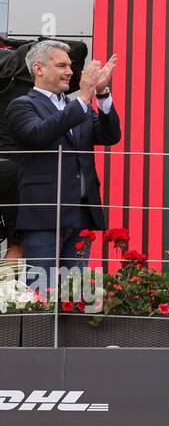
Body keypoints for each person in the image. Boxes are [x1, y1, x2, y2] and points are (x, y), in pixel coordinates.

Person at [5, 40, 120, 286]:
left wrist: (101, 95)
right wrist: (83, 98)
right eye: (61, 65)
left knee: (74, 296)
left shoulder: (76, 107)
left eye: (70, 65)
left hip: (81, 214)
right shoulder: (23, 105)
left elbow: (110, 136)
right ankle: (40, 327)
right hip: (43, 215)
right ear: (38, 69)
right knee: (41, 293)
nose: (70, 71)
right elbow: (39, 134)